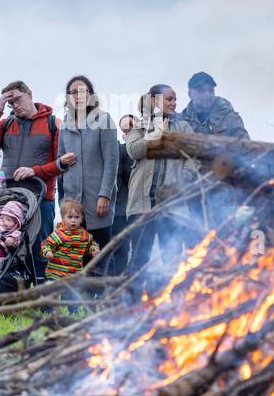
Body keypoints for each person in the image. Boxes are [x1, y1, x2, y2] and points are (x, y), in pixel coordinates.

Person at [0, 80, 71, 280]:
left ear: (29, 93)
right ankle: (14, 294)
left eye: (17, 99)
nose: (15, 106)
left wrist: (34, 171)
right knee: (5, 248)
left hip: (40, 198)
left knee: (39, 252)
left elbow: (61, 164)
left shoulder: (52, 124)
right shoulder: (8, 123)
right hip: (9, 199)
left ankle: (44, 303)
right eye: (10, 103)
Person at [124, 85, 200, 279]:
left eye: (175, 99)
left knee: (172, 258)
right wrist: (157, 134)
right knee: (139, 259)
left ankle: (170, 305)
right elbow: (134, 151)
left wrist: (182, 181)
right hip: (141, 204)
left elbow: (193, 157)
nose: (174, 103)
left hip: (172, 205)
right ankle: (131, 303)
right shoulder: (139, 127)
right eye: (169, 99)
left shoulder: (183, 128)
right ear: (153, 101)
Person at [56, 75, 118, 258]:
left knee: (100, 257)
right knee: (75, 260)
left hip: (97, 200)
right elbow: (60, 157)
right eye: (73, 92)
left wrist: (105, 195)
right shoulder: (65, 124)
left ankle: (105, 288)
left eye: (83, 91)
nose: (78, 96)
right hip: (72, 204)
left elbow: (112, 161)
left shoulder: (104, 120)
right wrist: (63, 160)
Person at [41, 198, 100, 281]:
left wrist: (94, 249)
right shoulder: (59, 234)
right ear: (63, 218)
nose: (73, 220)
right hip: (56, 274)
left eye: (77, 217)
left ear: (82, 218)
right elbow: (46, 244)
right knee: (55, 293)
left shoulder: (84, 235)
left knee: (71, 293)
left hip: (75, 275)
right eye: (70, 217)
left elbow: (91, 244)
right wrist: (47, 252)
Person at [179, 71, 249, 139]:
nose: (208, 94)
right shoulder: (181, 122)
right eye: (201, 90)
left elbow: (245, 145)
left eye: (211, 90)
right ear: (190, 94)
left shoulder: (230, 118)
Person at [106, 115, 135, 275]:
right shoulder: (115, 149)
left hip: (120, 211)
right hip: (99, 212)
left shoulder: (123, 151)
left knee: (121, 251)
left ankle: (117, 288)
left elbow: (130, 179)